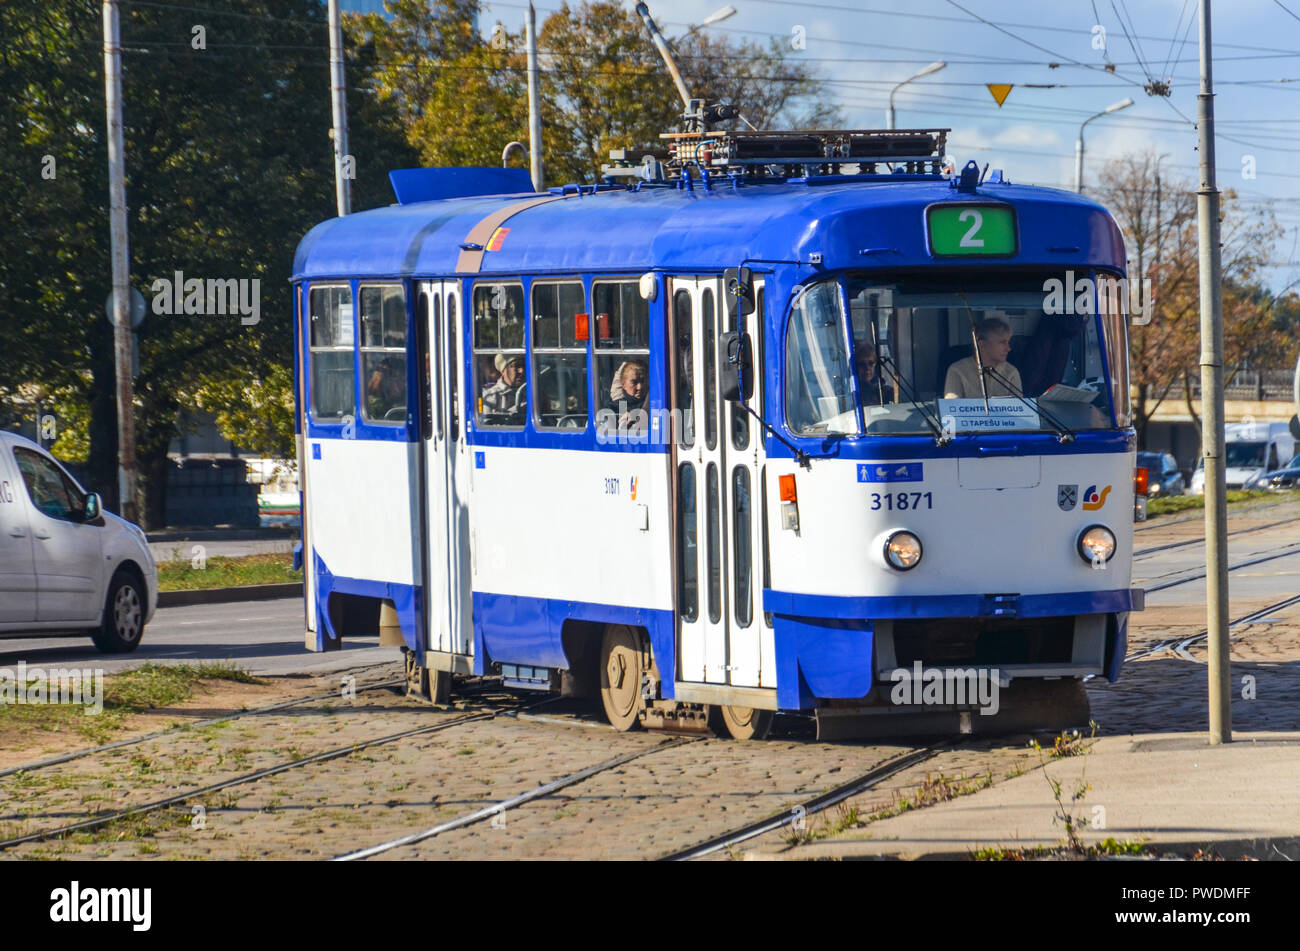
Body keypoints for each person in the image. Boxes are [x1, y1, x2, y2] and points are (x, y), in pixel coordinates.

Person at [943, 317, 1023, 399]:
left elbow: (1020, 408)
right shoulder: (957, 370)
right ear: (981, 344)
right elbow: (953, 408)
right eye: (1002, 342)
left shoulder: (1011, 371)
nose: (1008, 348)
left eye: (1008, 342)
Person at [606, 359, 648, 432]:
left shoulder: (651, 403)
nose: (640, 387)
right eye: (634, 382)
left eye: (642, 381)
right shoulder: (615, 407)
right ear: (623, 384)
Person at [482, 352, 526, 417]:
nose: (522, 371)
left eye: (524, 366)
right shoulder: (490, 396)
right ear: (503, 371)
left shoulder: (532, 392)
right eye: (516, 366)